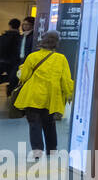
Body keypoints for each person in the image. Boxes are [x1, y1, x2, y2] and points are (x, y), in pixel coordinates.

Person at [13, 31, 74, 160]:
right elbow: (66, 80)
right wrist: (69, 95)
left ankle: (37, 152)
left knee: (34, 125)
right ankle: (52, 151)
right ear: (56, 43)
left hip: (33, 96)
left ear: (43, 40)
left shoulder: (32, 57)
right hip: (50, 98)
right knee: (49, 124)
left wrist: (22, 69)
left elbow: (24, 77)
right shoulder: (61, 59)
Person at [0, 19, 19, 101]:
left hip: (2, 61)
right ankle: (10, 96)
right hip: (13, 62)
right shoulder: (20, 37)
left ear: (9, 25)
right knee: (13, 80)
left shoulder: (3, 36)